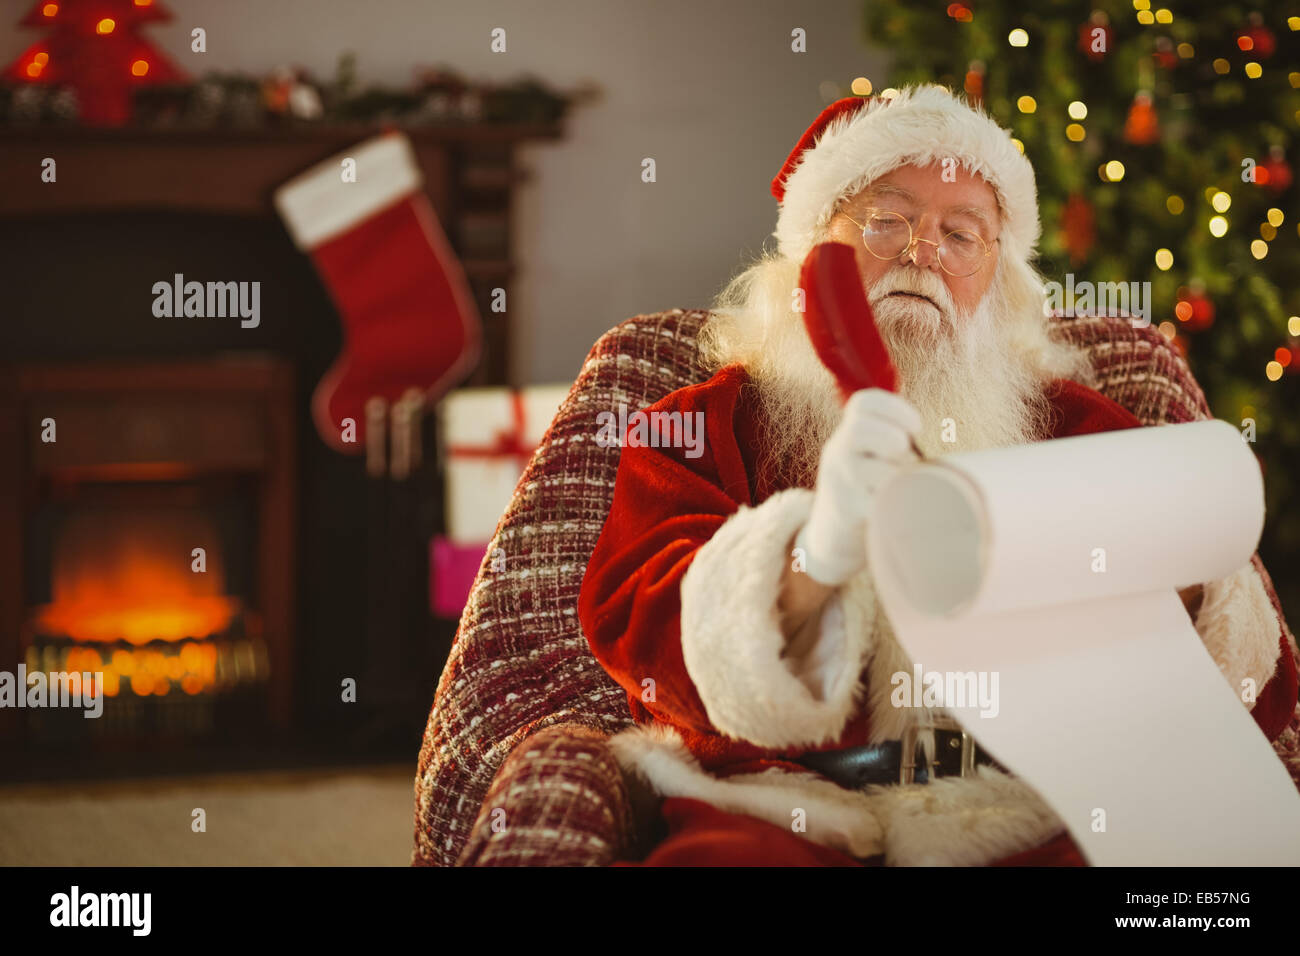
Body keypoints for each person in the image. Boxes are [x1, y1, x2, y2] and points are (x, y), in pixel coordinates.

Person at [577, 84, 1298, 866]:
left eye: (963, 234)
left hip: (1030, 802)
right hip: (779, 800)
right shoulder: (704, 424)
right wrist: (814, 555)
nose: (923, 251)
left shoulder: (1073, 424)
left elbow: (1255, 679)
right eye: (887, 220)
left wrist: (1174, 586)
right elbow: (638, 627)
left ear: (999, 281)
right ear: (811, 254)